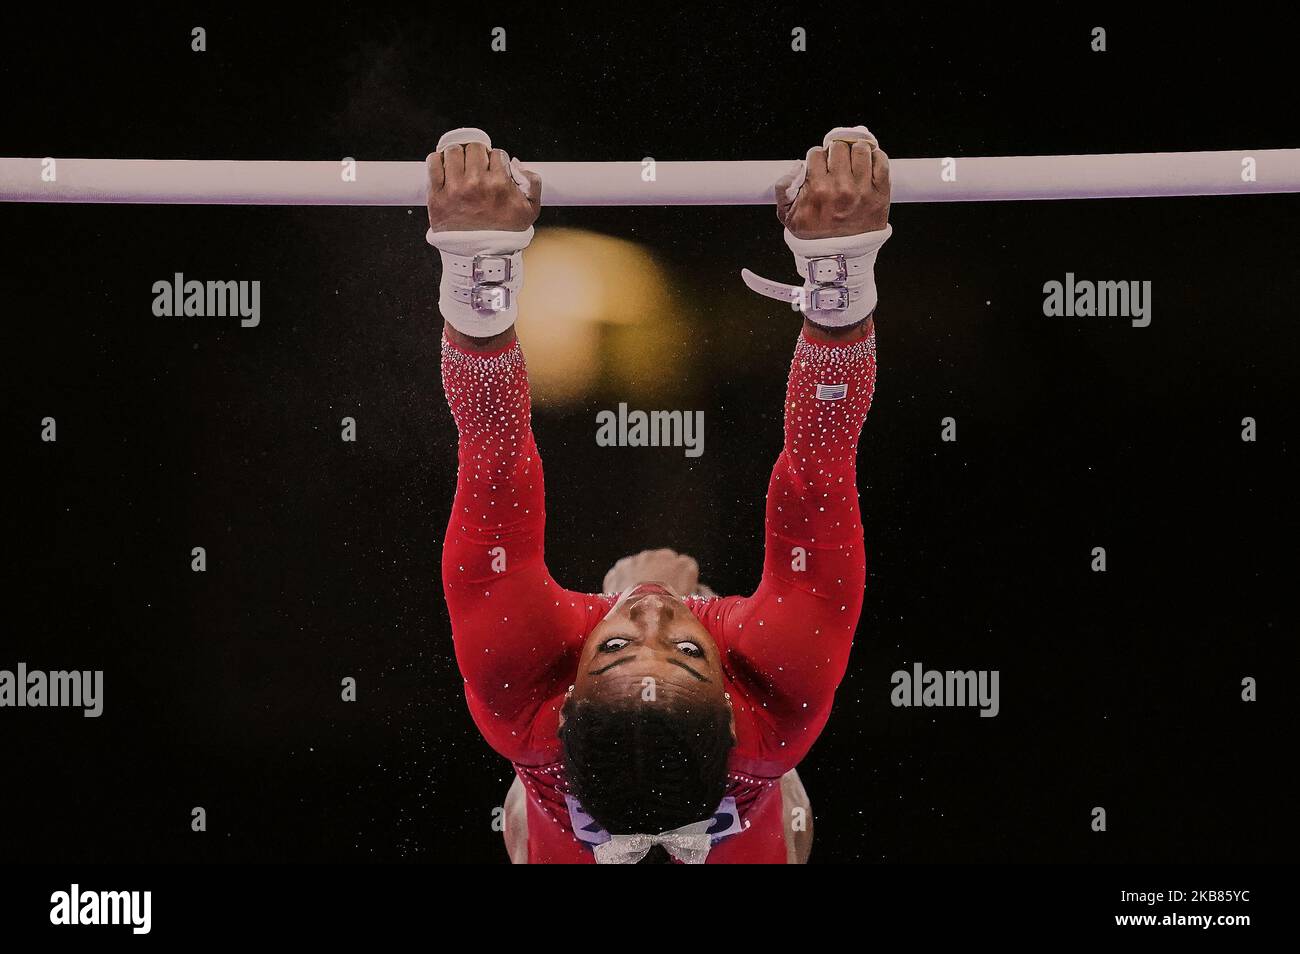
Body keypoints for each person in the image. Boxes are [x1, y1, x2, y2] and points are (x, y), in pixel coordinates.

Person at [431, 126, 891, 863]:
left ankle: (536, 815)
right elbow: (819, 469)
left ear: (566, 701)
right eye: (687, 651)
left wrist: (476, 269)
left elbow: (494, 456)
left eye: (613, 646)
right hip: (753, 833)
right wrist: (840, 276)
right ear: (736, 716)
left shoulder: (518, 688)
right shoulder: (781, 692)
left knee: (527, 830)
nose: (649, 608)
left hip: (557, 829)